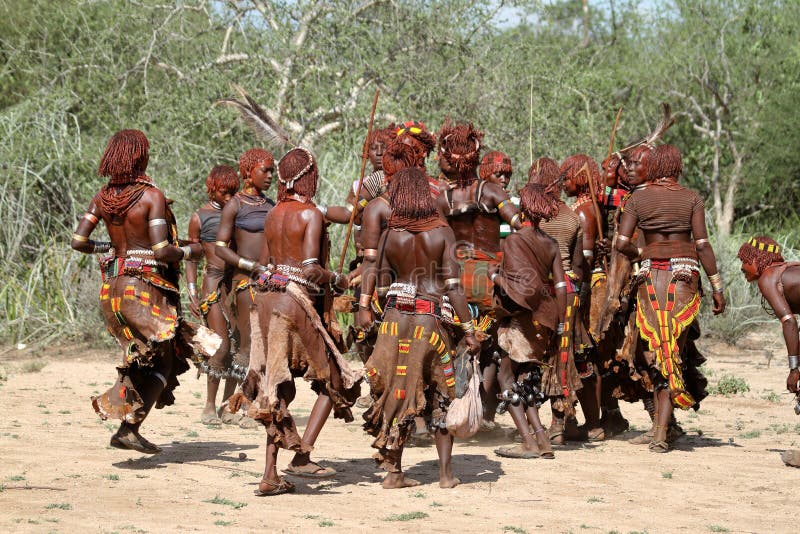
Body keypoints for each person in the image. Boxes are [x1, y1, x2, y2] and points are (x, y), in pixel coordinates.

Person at [229, 147, 361, 495]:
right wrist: (340, 281)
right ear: (307, 178)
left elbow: (265, 265)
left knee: (277, 387)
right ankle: (301, 456)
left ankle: (270, 475)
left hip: (267, 300)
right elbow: (310, 271)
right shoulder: (310, 215)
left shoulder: (272, 214)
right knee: (336, 379)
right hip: (294, 302)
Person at [71, 129, 204, 453]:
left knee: (144, 356)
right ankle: (126, 424)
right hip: (144, 290)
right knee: (163, 361)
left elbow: (79, 242)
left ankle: (127, 425)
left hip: (113, 291)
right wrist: (192, 252)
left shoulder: (102, 197)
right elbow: (161, 251)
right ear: (139, 157)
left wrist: (114, 247)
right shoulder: (150, 196)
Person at [360, 166, 481, 488]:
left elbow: (381, 279)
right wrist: (468, 330)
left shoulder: (390, 235)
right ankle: (445, 475)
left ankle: (394, 473)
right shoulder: (442, 233)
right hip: (430, 322)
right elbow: (454, 287)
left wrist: (373, 307)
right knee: (440, 395)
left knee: (397, 390)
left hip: (394, 321)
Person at [615, 143, 725, 452]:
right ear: (677, 168)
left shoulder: (638, 198)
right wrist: (717, 285)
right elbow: (702, 245)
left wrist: (644, 252)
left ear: (653, 168)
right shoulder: (691, 198)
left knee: (656, 352)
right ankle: (662, 431)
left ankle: (662, 429)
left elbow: (621, 242)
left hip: (650, 280)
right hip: (683, 280)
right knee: (674, 349)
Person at [435, 121, 522, 430]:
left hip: (453, 278)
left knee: (455, 342)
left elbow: (432, 236)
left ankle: (447, 412)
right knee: (492, 350)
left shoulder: (443, 200)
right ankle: (482, 415)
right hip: (487, 278)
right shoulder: (491, 192)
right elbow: (520, 227)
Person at [492, 182, 566, 458]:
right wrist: (559, 323)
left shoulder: (515, 240)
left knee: (506, 376)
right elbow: (560, 287)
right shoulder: (550, 243)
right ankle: (542, 441)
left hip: (521, 318)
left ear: (522, 208)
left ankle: (527, 440)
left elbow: (516, 285)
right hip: (545, 319)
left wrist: (493, 276)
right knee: (528, 378)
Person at [526, 157, 586, 445]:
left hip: (541, 292)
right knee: (563, 354)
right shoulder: (573, 217)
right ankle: (561, 421)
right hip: (569, 292)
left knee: (539, 354)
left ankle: (542, 426)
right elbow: (578, 264)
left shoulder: (532, 214)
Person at [215, 148, 276, 428]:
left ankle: (244, 403)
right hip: (243, 283)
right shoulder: (235, 205)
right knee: (248, 346)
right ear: (249, 171)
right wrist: (250, 266)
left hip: (269, 284)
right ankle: (236, 406)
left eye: (273, 171)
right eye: (265, 170)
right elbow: (220, 248)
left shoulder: (272, 205)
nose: (270, 176)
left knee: (264, 345)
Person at [736, 236, 800, 467]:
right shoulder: (788, 270)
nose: (742, 268)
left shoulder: (769, 278)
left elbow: (789, 322)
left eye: (744, 261)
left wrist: (794, 369)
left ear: (757, 259)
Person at [186, 165, 240, 425]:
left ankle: (228, 405)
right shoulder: (200, 217)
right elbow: (191, 259)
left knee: (239, 346)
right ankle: (209, 405)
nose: (228, 197)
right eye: (223, 192)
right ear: (211, 189)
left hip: (237, 284)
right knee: (220, 346)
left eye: (232, 192)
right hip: (213, 284)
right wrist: (192, 292)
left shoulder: (239, 212)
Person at [561, 154, 605, 440]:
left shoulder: (583, 211)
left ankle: (592, 423)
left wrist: (573, 289)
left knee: (579, 353)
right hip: (581, 287)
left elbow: (584, 258)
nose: (563, 182)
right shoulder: (587, 207)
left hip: (580, 288)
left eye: (566, 177)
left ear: (577, 179)